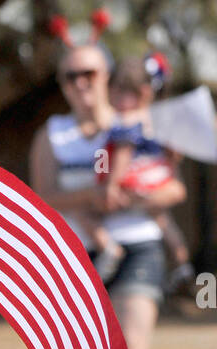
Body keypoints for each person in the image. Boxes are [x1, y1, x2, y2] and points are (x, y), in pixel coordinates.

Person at [29, 43, 187, 349]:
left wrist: (151, 198)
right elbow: (42, 197)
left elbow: (174, 185)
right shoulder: (53, 134)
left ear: (107, 77)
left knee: (132, 348)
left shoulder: (141, 123)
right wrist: (91, 200)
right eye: (70, 76)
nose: (81, 83)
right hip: (78, 255)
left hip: (139, 246)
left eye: (90, 74)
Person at [80, 54, 193, 291]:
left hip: (131, 180)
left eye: (121, 93)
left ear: (142, 93)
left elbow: (122, 152)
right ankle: (182, 262)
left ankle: (109, 248)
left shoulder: (127, 120)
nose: (116, 99)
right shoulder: (155, 120)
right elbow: (174, 154)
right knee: (162, 218)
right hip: (153, 180)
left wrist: (111, 185)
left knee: (87, 213)